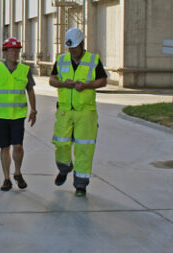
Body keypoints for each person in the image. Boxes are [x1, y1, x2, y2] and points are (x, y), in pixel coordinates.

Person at [48, 27, 107, 197]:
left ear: (82, 44)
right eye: (70, 48)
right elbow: (52, 79)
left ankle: (81, 184)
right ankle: (65, 167)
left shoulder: (93, 60)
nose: (72, 51)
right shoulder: (61, 60)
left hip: (86, 112)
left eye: (75, 47)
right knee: (60, 143)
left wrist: (86, 86)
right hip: (65, 110)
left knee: (84, 148)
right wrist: (63, 84)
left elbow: (102, 81)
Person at [0, 37, 38, 191]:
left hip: (17, 115)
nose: (14, 53)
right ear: (5, 52)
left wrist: (33, 110)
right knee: (4, 147)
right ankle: (6, 178)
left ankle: (17, 172)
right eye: (11, 50)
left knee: (18, 146)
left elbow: (30, 91)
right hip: (0, 116)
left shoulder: (24, 71)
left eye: (16, 50)